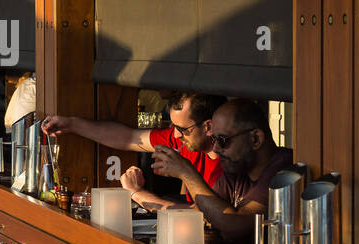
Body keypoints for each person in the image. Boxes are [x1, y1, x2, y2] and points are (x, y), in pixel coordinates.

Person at [41, 91, 226, 212]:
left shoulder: (229, 162)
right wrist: (71, 124)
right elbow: (128, 138)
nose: (176, 135)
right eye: (173, 126)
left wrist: (136, 192)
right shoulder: (186, 139)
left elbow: (199, 217)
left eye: (183, 129)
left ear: (208, 127)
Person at [153, 98, 295, 244]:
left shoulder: (284, 169)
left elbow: (234, 225)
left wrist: (187, 173)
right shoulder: (237, 170)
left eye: (222, 140)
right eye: (214, 139)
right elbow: (201, 214)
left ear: (255, 139)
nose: (215, 148)